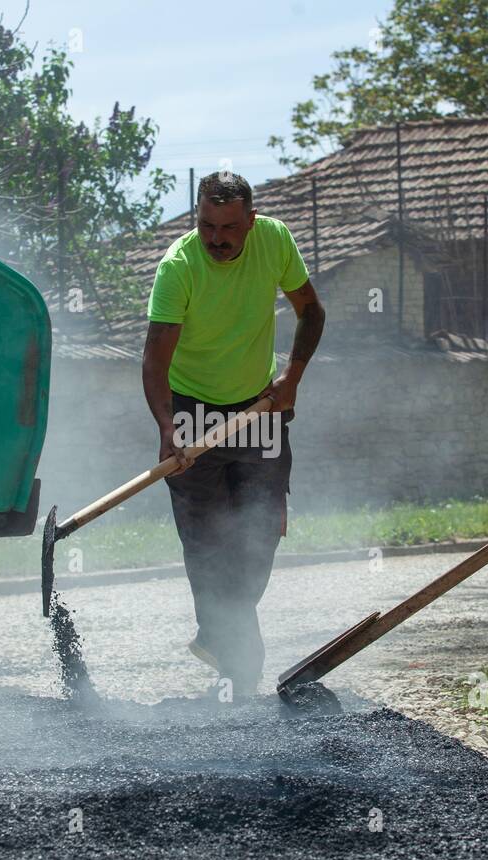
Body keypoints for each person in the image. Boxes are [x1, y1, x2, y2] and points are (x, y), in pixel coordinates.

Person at [143, 172, 325, 696]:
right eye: (206, 226)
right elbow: (154, 360)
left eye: (228, 227)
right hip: (192, 410)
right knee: (205, 542)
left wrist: (292, 375)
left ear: (251, 221)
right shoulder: (178, 268)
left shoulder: (275, 239)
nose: (216, 238)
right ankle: (238, 663)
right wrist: (166, 426)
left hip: (257, 405)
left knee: (260, 531)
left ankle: (220, 633)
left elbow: (311, 310)